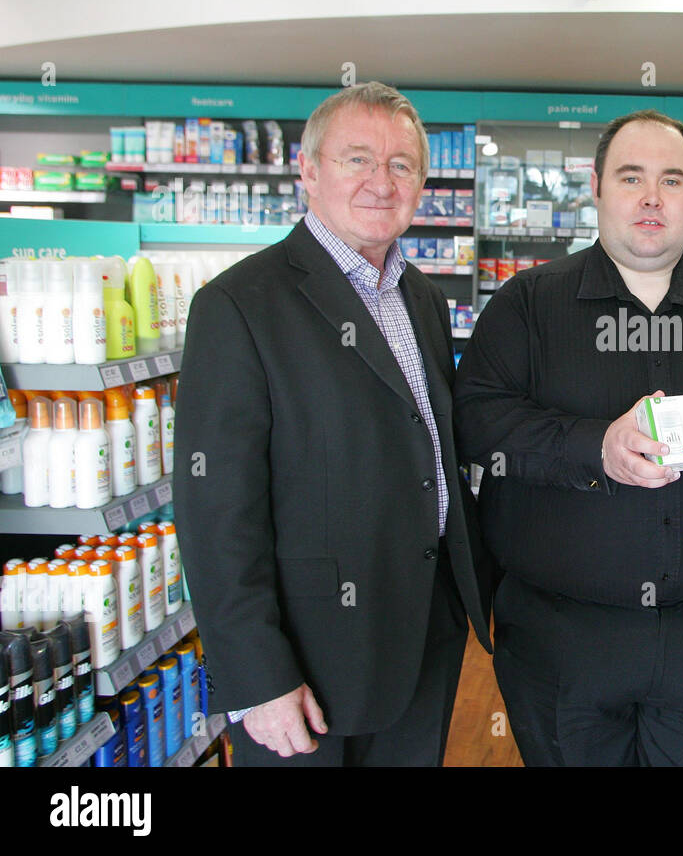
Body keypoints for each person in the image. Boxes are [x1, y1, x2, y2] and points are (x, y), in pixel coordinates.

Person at [454, 109, 683, 766]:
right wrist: (595, 447)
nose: (653, 196)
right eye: (632, 176)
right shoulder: (527, 306)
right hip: (563, 652)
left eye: (672, 179)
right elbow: (478, 422)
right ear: (596, 186)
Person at [173, 81, 493, 766]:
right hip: (310, 660)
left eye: (402, 165)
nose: (382, 182)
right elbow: (215, 512)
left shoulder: (424, 300)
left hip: (425, 635)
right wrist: (258, 677)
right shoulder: (238, 305)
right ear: (309, 172)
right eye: (357, 160)